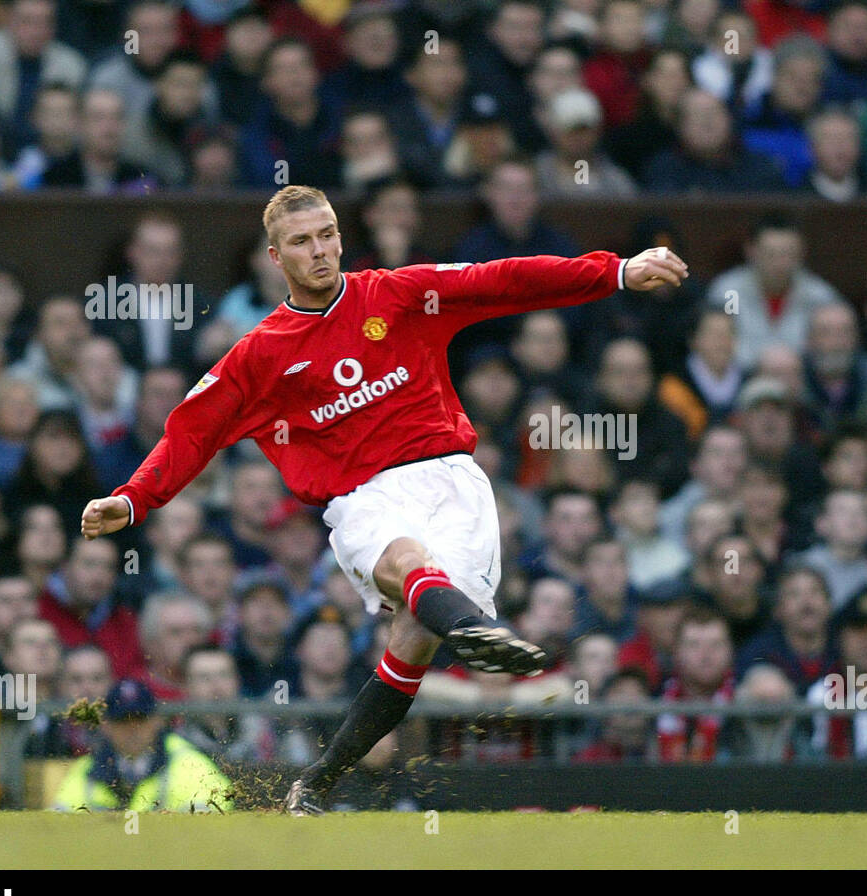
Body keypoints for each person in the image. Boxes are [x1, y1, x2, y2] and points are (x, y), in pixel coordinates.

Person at [78, 183, 689, 815]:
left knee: (413, 637)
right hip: (363, 496)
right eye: (301, 242)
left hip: (452, 478)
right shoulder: (260, 354)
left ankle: (317, 778)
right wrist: (133, 500)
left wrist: (615, 270)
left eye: (327, 235)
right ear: (275, 256)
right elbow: (191, 431)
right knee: (407, 565)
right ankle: (476, 629)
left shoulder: (398, 295)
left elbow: (503, 280)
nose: (319, 251)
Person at [51, 678, 233, 812]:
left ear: (157, 721)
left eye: (140, 719)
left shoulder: (187, 761)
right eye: (122, 721)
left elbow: (218, 806)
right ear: (106, 726)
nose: (133, 728)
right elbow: (59, 819)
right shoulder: (89, 768)